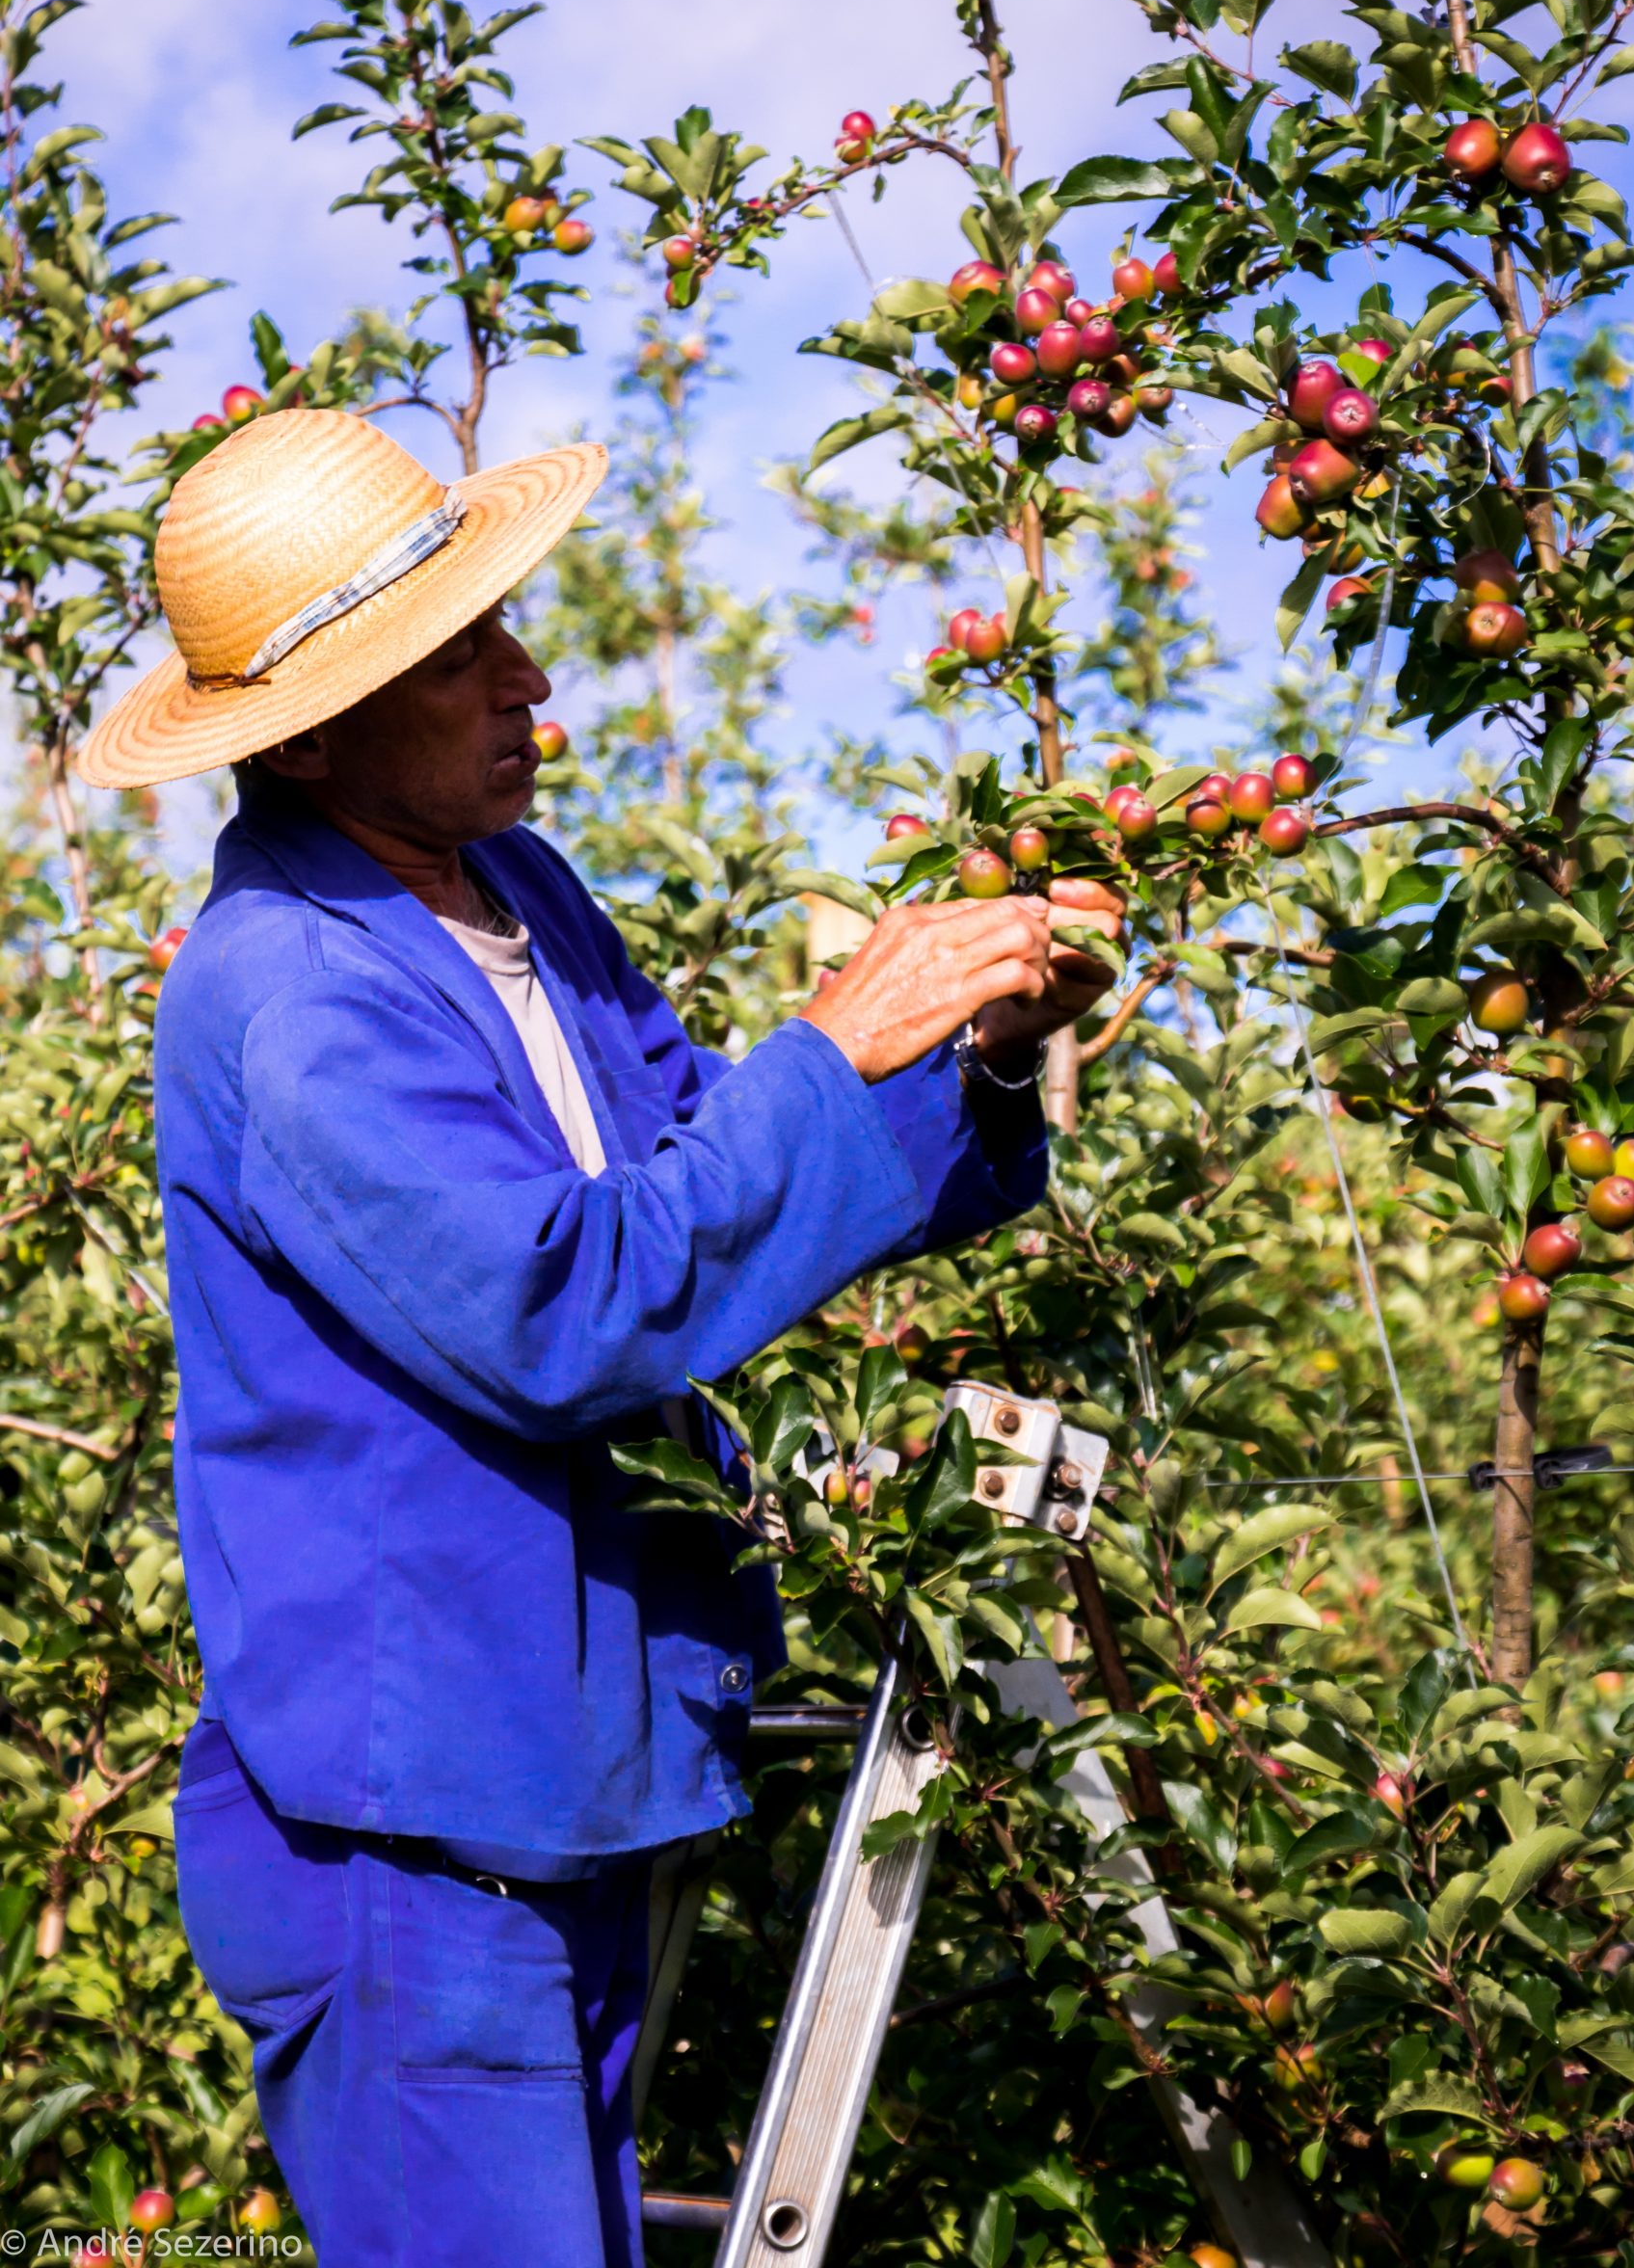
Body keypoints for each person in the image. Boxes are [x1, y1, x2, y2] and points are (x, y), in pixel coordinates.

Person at [77, 410, 1121, 2267]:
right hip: (411, 1854)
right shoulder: (290, 1000)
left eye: (504, 628)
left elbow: (705, 1179)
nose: (528, 678)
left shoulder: (519, 899)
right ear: (315, 733)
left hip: (569, 1791)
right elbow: (563, 1305)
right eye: (463, 654)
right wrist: (833, 1045)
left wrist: (969, 1045)